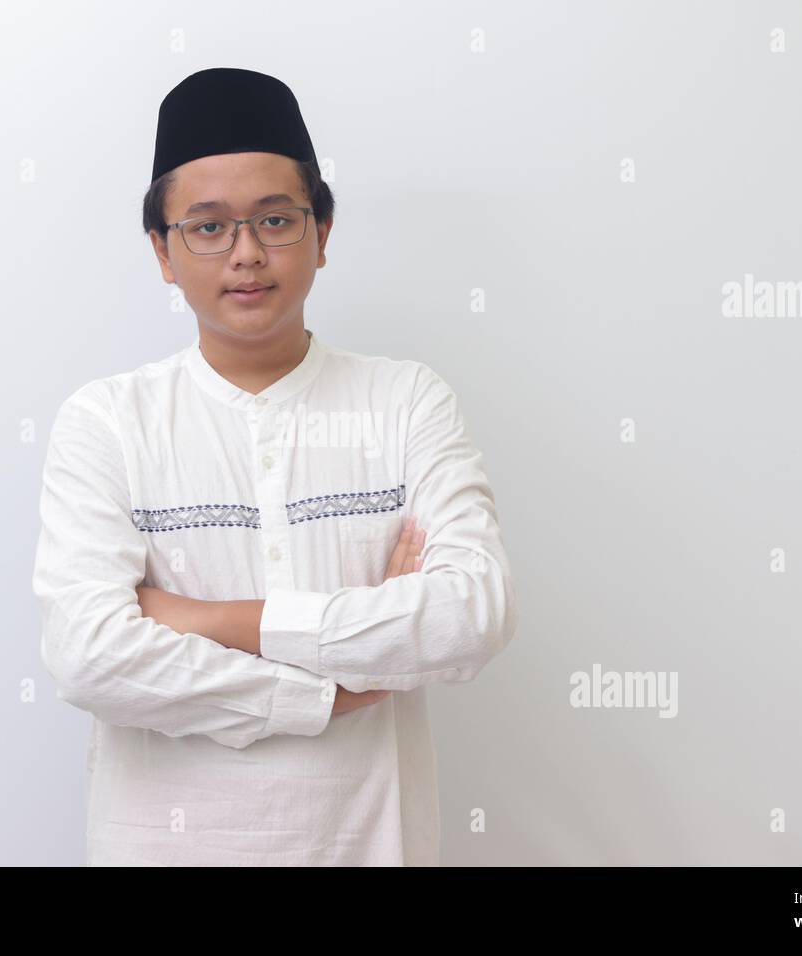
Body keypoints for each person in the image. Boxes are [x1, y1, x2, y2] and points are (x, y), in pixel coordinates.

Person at [31, 67, 518, 866]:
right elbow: (89, 656)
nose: (247, 254)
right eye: (209, 227)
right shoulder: (109, 423)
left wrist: (209, 619)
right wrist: (332, 694)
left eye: (276, 220)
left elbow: (472, 613)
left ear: (322, 232)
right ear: (163, 250)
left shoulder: (405, 402)